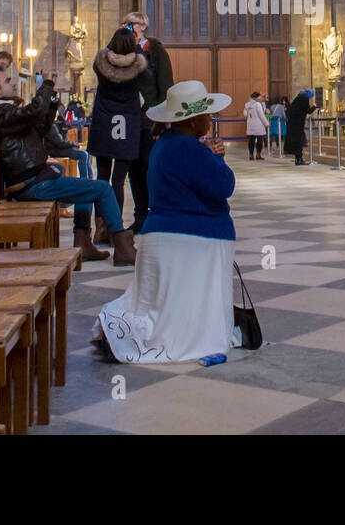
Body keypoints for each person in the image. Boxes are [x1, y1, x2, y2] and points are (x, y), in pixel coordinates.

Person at [92, 80, 239, 362]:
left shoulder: (162, 147)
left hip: (158, 237)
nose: (210, 120)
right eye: (206, 115)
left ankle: (128, 331)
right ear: (194, 121)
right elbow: (224, 186)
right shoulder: (191, 149)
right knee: (182, 320)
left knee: (156, 307)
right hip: (194, 237)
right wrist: (218, 159)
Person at [0, 65, 134, 264]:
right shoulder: (0, 113)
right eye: (7, 81)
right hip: (32, 184)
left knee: (85, 189)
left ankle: (83, 241)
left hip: (34, 180)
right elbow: (34, 113)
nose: (14, 82)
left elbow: (41, 126)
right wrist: (47, 84)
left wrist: (51, 100)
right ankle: (122, 247)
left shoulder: (2, 113)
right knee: (103, 188)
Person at [109, 11, 175, 239]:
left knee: (149, 170)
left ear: (143, 27)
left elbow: (165, 84)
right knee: (134, 172)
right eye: (124, 25)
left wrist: (161, 119)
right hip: (127, 122)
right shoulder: (121, 52)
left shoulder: (155, 49)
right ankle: (140, 218)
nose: (128, 29)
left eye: (131, 25)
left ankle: (155, 216)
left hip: (149, 120)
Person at [87, 28, 152, 236]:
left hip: (104, 124)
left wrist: (108, 51)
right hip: (127, 125)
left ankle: (101, 229)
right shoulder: (138, 67)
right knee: (118, 180)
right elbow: (149, 78)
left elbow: (99, 63)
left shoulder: (101, 64)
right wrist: (137, 53)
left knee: (102, 179)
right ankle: (116, 229)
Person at [284, 89, 317, 165]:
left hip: (292, 123)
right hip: (298, 124)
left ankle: (298, 159)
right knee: (299, 142)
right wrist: (314, 107)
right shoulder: (304, 99)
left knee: (297, 141)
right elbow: (308, 110)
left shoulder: (297, 98)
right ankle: (299, 160)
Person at [243, 91, 269, 160]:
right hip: (258, 124)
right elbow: (261, 115)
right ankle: (258, 155)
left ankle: (251, 155)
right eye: (260, 96)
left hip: (250, 125)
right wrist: (266, 124)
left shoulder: (247, 104)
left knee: (251, 141)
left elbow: (245, 114)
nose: (261, 97)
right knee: (260, 141)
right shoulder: (257, 104)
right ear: (256, 97)